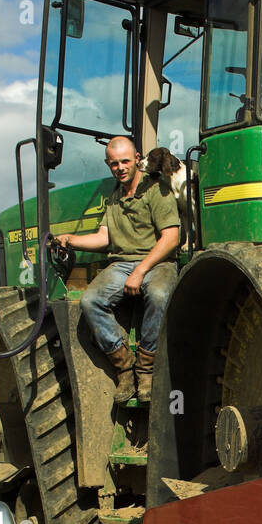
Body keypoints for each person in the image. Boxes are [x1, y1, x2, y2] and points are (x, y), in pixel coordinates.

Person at [55, 136, 180, 404]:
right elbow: (104, 237)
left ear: (137, 159)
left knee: (158, 295)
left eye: (125, 161)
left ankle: (146, 369)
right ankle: (125, 368)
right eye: (114, 163)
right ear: (108, 164)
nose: (120, 168)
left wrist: (141, 270)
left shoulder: (157, 191)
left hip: (158, 261)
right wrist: (71, 239)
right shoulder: (113, 197)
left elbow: (170, 239)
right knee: (90, 301)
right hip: (122, 263)